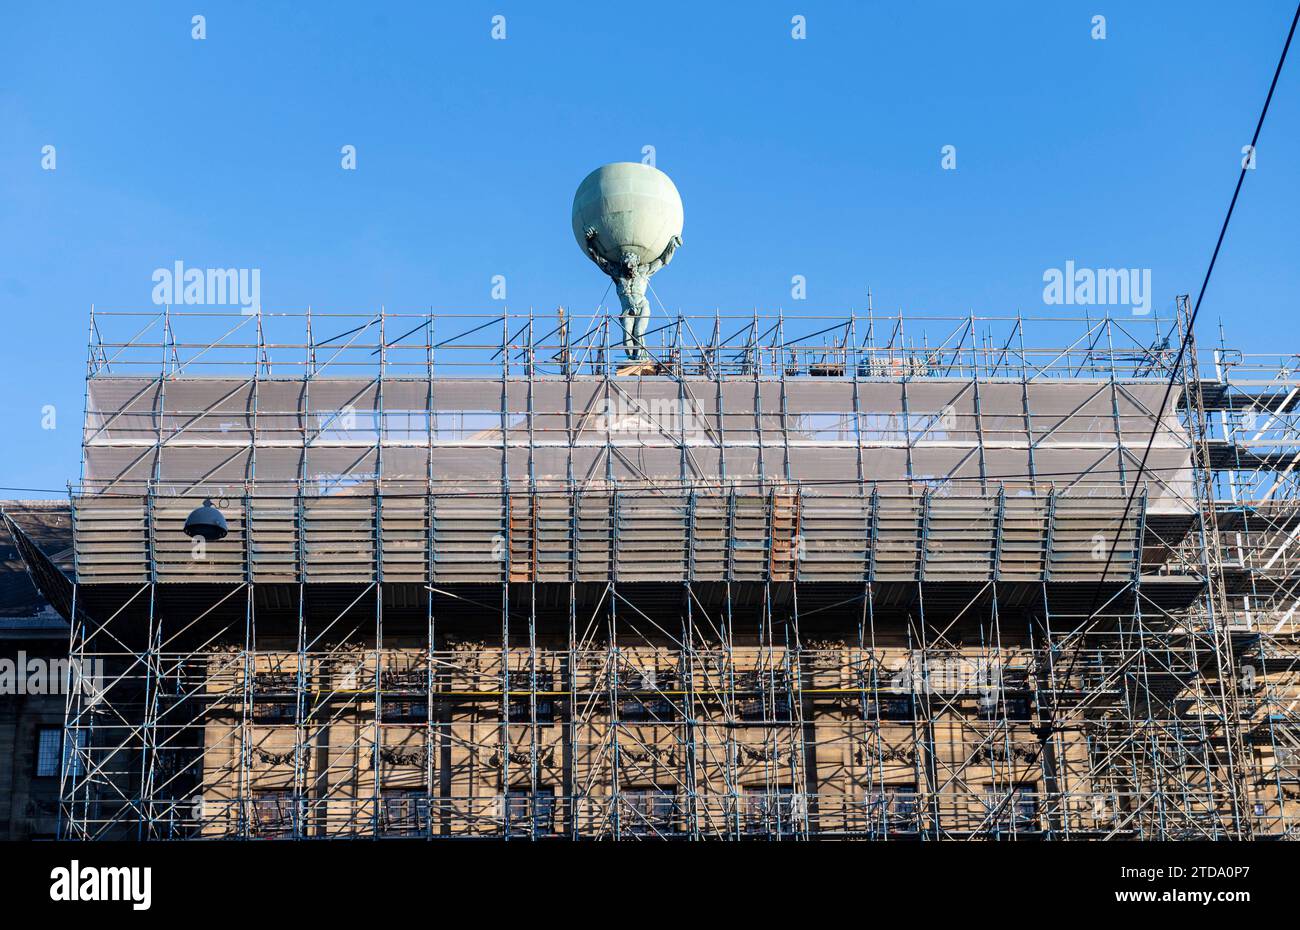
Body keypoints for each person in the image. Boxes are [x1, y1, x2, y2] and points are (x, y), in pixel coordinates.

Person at [584, 226, 681, 361]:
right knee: (626, 337)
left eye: (632, 266)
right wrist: (590, 241)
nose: (630, 270)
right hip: (627, 310)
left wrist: (673, 245)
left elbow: (663, 261)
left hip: (642, 306)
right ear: (623, 265)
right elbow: (598, 259)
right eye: (627, 266)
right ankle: (633, 360)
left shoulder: (644, 271)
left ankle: (641, 360)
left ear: (636, 264)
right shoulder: (617, 275)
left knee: (639, 332)